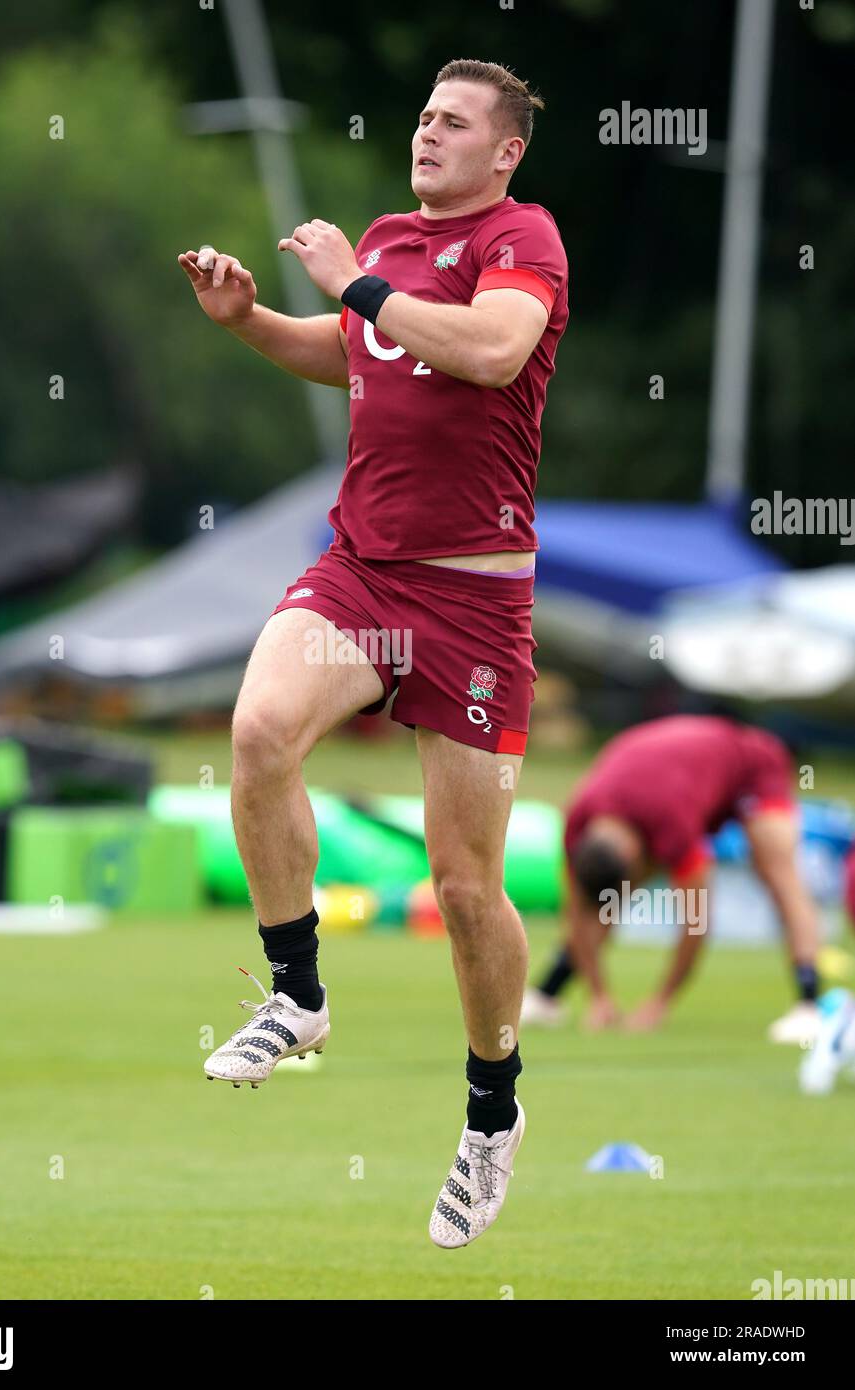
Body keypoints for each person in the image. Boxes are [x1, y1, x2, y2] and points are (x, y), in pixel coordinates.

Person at [178, 59, 568, 1247]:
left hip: (476, 605)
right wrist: (251, 319)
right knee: (255, 732)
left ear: (504, 151)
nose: (427, 133)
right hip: (363, 569)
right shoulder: (390, 240)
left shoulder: (524, 239)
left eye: (454, 123)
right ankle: (298, 993)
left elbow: (490, 351)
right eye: (422, 117)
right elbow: (356, 355)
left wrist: (352, 284)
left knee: (463, 885)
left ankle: (491, 1115)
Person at [522, 716, 823, 1044]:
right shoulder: (577, 825)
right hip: (678, 770)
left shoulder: (671, 824)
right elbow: (578, 912)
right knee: (606, 896)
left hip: (752, 764)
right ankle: (549, 994)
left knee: (778, 873)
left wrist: (660, 1002)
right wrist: (600, 995)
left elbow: (695, 922)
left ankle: (809, 1005)